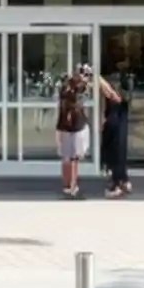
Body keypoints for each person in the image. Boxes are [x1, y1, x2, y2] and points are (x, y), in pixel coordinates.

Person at [96, 64, 130, 198]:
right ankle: (124, 181)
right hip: (117, 123)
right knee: (119, 153)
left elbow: (110, 93)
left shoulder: (115, 95)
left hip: (114, 124)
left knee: (114, 154)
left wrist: (97, 78)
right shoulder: (124, 92)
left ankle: (117, 185)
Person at [56, 69, 90, 199]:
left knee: (70, 158)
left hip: (70, 126)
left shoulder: (71, 89)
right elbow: (76, 101)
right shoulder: (70, 90)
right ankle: (71, 187)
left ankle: (69, 186)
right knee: (71, 158)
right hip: (72, 127)